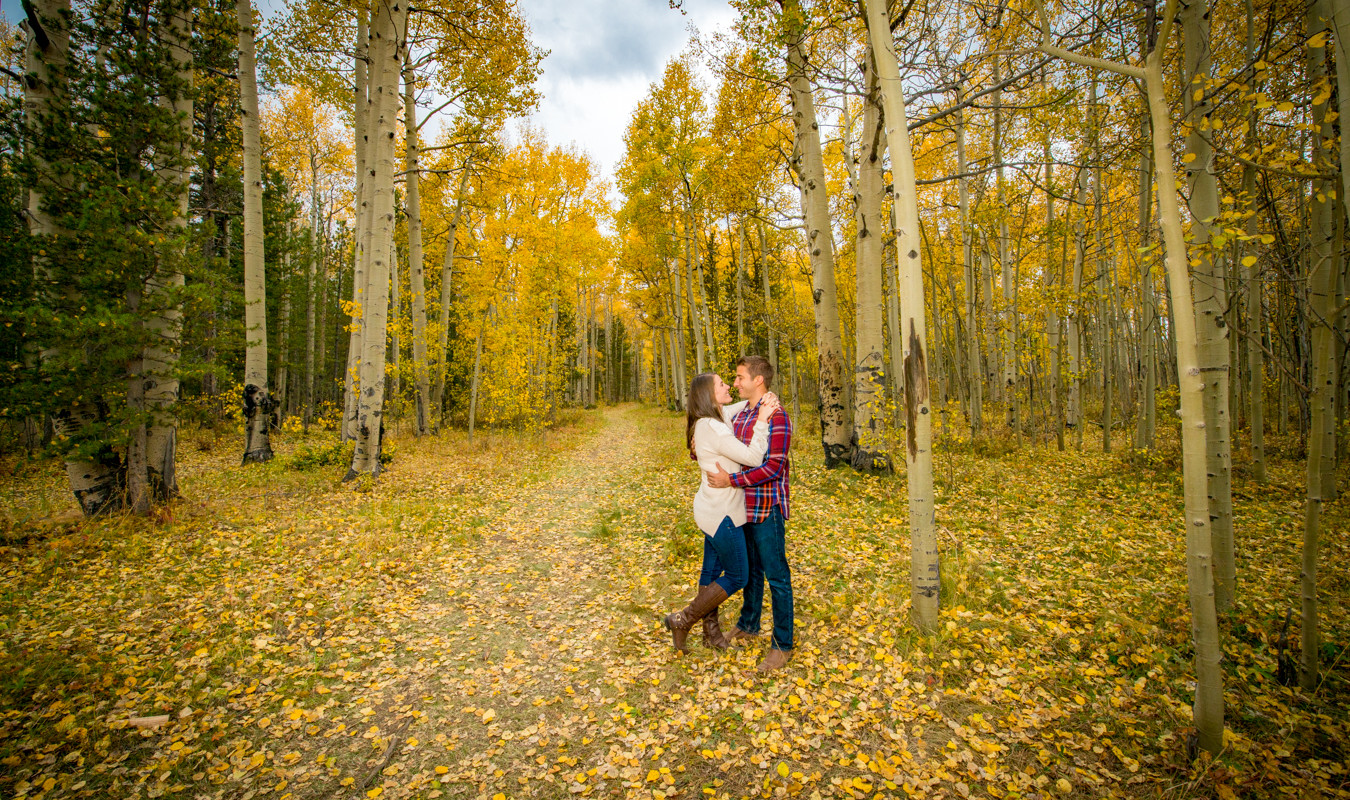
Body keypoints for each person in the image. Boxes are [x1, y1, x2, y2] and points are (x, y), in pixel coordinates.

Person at [664, 373, 779, 652]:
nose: (728, 385)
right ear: (708, 395)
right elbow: (753, 458)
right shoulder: (713, 428)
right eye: (721, 384)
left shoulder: (717, 416)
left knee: (712, 571)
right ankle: (683, 619)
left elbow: (736, 407)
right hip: (722, 513)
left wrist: (762, 399)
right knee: (738, 575)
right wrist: (762, 420)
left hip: (712, 507)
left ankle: (711, 635)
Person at [705, 355, 794, 672]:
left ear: (759, 380)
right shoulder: (741, 415)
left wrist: (731, 479)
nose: (737, 382)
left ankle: (783, 645)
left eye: (741, 377)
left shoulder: (778, 417)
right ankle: (748, 624)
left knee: (777, 576)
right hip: (740, 507)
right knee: (752, 572)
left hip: (766, 506)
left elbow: (773, 467)